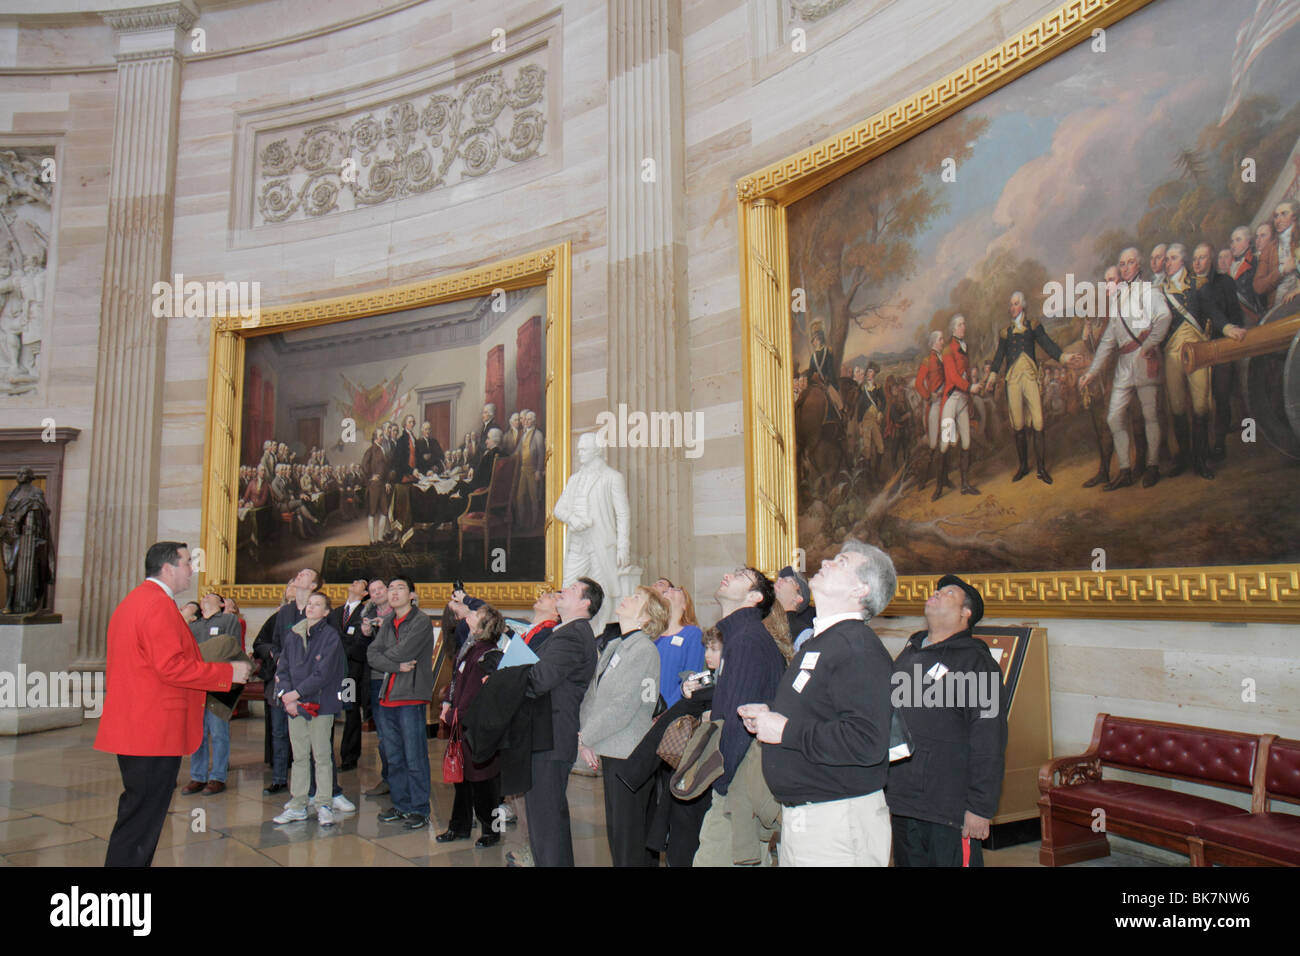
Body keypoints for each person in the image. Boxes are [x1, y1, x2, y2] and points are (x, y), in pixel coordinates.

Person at [739, 539, 896, 866]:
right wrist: (769, 716)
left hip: (838, 820)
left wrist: (785, 730)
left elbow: (866, 742)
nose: (826, 561)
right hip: (809, 818)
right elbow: (817, 713)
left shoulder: (858, 647)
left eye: (842, 561)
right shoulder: (821, 642)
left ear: (861, 589)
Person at [95, 542, 251, 866]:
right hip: (151, 730)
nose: (191, 570)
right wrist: (228, 672)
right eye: (186, 563)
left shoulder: (135, 601)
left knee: (137, 816)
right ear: (168, 568)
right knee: (141, 822)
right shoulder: (157, 605)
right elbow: (171, 667)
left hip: (137, 725)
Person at [887, 575, 1007, 866]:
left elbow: (989, 739)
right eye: (937, 590)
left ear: (966, 613)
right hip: (902, 803)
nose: (937, 594)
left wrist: (980, 807)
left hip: (948, 810)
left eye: (948, 593)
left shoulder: (978, 665)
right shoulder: (909, 654)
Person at [692, 567, 785, 867]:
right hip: (737, 777)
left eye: (742, 575)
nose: (729, 575)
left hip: (736, 782)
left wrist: (721, 777)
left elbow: (738, 719)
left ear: (755, 597)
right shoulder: (742, 637)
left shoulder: (746, 640)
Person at [578, 585, 668, 866]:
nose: (627, 598)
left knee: (629, 836)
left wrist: (587, 737)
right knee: (618, 834)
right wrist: (587, 736)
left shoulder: (644, 650)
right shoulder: (617, 645)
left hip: (630, 753)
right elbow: (593, 695)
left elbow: (624, 706)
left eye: (636, 598)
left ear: (647, 618)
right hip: (611, 749)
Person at [1078, 246, 1171, 491]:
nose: (1126, 267)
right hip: (1124, 364)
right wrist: (1092, 372)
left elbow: (1164, 318)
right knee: (1113, 417)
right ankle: (1126, 471)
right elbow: (1108, 340)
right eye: (1122, 263)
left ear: (1139, 265)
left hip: (1144, 356)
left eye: (1130, 262)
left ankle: (1152, 466)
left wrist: (1150, 344)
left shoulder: (1148, 290)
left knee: (1150, 416)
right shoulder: (1118, 298)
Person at [523, 576, 600, 866]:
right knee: (545, 816)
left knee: (547, 817)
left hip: (551, 734)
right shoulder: (564, 632)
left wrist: (508, 678)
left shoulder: (572, 634)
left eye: (571, 589)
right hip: (546, 731)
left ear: (585, 603)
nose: (562, 591)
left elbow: (540, 679)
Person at [979, 291, 1079, 485]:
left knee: (1038, 421)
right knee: (1018, 423)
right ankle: (1024, 466)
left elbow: (1048, 345)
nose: (1012, 308)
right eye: (1011, 304)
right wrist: (992, 377)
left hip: (1030, 377)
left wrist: (1065, 358)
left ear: (1023, 306)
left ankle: (1041, 469)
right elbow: (999, 358)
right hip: (1013, 380)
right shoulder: (1004, 332)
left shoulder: (1033, 326)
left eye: (1016, 304)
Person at [272, 591, 347, 826]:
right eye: (310, 604)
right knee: (300, 756)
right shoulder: (293, 635)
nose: (311, 607)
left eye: (318, 605)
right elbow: (282, 669)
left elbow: (322, 673)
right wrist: (288, 697)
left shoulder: (330, 637)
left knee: (322, 756)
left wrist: (296, 693)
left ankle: (323, 803)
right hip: (295, 706)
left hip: (321, 705)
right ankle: (298, 803)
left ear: (326, 612)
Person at [367, 575, 435, 829]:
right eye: (391, 588)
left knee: (414, 754)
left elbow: (404, 651)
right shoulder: (387, 623)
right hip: (387, 696)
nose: (394, 592)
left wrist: (388, 658)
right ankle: (401, 804)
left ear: (412, 595)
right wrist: (395, 665)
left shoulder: (421, 621)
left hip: (410, 695)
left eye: (400, 588)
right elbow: (371, 654)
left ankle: (419, 808)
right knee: (393, 756)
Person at [438, 603, 507, 846]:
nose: (472, 615)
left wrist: (453, 714)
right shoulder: (470, 648)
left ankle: (491, 831)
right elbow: (456, 680)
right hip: (460, 722)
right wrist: (447, 702)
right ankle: (459, 826)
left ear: (485, 625)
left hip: (475, 726)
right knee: (462, 779)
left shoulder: (486, 653)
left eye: (477, 614)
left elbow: (473, 693)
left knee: (483, 781)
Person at [553, 432, 631, 632]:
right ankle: (568, 630)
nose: (579, 452)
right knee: (569, 587)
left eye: (584, 449)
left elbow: (623, 513)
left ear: (596, 450)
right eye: (578, 448)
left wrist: (623, 546)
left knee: (602, 591)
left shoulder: (612, 477)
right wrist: (574, 520)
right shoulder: (574, 479)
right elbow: (559, 509)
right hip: (578, 543)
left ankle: (598, 635)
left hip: (601, 543)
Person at [1159, 243, 1216, 481]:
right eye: (1166, 259)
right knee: (1178, 407)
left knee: (1201, 406)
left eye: (1172, 258)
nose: (1167, 262)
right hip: (1172, 353)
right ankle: (1183, 458)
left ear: (1182, 261)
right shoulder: (1159, 291)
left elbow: (1212, 314)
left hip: (1198, 351)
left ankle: (1200, 460)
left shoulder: (1199, 285)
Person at [1189, 241, 1247, 464]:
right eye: (1195, 258)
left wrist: (1231, 333)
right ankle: (1200, 452)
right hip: (1198, 350)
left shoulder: (1225, 282)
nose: (1197, 262)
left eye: (1202, 257)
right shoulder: (1189, 286)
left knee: (1222, 396)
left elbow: (1233, 316)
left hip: (1222, 346)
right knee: (1200, 402)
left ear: (1211, 260)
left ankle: (1221, 443)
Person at [180, 591, 242, 795]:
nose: (205, 597)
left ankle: (217, 776)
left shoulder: (228, 619)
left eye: (211, 596)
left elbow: (231, 646)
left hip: (219, 683)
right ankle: (198, 776)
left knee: (218, 732)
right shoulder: (194, 625)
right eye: (203, 596)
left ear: (222, 603)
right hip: (197, 684)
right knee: (198, 733)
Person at [934, 313, 981, 499]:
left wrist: (969, 393)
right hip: (952, 399)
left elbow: (966, 373)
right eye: (960, 325)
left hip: (963, 399)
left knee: (967, 442)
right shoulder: (947, 349)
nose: (963, 327)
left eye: (964, 324)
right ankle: (939, 486)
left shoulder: (964, 346)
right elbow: (952, 377)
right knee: (945, 443)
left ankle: (965, 484)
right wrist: (970, 387)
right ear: (953, 329)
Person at [329, 578, 370, 771]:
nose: (354, 583)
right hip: (331, 672)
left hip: (351, 673)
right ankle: (326, 753)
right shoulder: (336, 612)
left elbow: (361, 642)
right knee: (327, 711)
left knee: (351, 712)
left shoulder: (365, 612)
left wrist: (342, 644)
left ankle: (349, 756)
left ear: (365, 593)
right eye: (353, 581)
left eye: (360, 583)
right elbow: (330, 637)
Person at [359, 578, 393, 796]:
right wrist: (364, 633)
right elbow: (360, 651)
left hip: (395, 676)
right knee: (383, 733)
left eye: (381, 588)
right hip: (374, 677)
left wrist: (386, 628)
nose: (377, 593)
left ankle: (401, 778)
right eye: (372, 590)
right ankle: (388, 778)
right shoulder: (365, 615)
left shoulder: (403, 613)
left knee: (397, 732)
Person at [655, 583, 704, 709]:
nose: (668, 590)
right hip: (648, 711)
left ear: (685, 605)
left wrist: (666, 710)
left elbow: (691, 677)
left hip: (674, 710)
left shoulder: (692, 634)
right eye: (666, 591)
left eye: (675, 590)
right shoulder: (653, 637)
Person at [914, 330, 945, 488]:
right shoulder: (927, 361)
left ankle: (944, 478)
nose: (943, 341)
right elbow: (918, 384)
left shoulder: (946, 358)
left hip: (947, 402)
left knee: (947, 442)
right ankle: (924, 478)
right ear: (934, 342)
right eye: (940, 339)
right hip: (935, 405)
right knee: (934, 444)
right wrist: (928, 396)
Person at [515, 409, 546, 530]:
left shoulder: (538, 434)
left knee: (534, 498)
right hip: (523, 471)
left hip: (533, 471)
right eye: (525, 419)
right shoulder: (524, 435)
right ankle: (521, 523)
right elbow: (517, 451)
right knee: (520, 497)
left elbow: (541, 453)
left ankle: (534, 524)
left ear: (533, 421)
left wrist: (539, 470)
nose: (526, 421)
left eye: (528, 420)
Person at [361, 429, 391, 544]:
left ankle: (379, 538)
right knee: (372, 512)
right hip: (374, 485)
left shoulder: (383, 449)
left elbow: (386, 469)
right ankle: (372, 540)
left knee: (384, 511)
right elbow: (364, 465)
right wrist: (370, 477)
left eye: (382, 435)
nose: (382, 437)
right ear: (374, 438)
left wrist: (388, 481)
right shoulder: (370, 450)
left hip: (383, 485)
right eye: (380, 436)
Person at [775, 565, 814, 650]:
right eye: (779, 578)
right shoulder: (761, 620)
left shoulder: (804, 634)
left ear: (798, 598)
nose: (780, 580)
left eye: (789, 580)